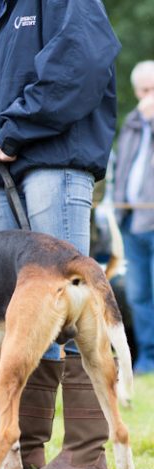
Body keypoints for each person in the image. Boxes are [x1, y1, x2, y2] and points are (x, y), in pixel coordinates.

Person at [0, 0, 121, 469]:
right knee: (26, 318)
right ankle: (20, 449)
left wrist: (16, 129)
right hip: (7, 168)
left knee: (74, 311)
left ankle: (86, 454)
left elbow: (82, 61)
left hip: (54, 160)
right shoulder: (1, 10)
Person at [113, 60, 154, 375]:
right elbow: (123, 167)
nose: (147, 97)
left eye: (152, 90)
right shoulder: (132, 121)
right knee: (139, 294)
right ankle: (147, 359)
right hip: (130, 220)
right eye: (143, 90)